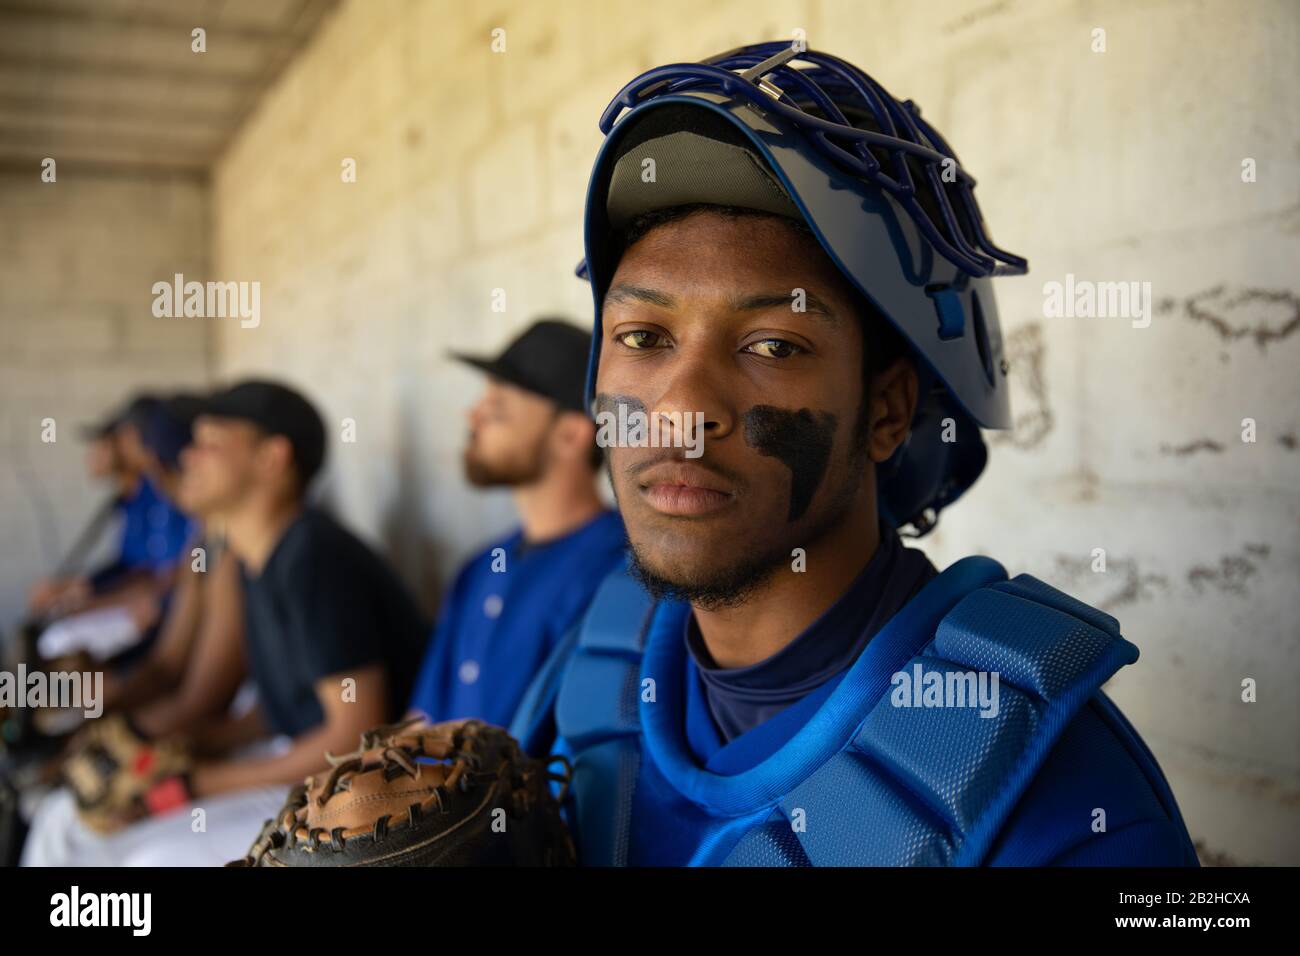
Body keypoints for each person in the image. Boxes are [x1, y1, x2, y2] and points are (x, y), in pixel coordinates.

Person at [509, 43, 1199, 866]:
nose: (682, 410)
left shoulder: (1061, 798)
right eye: (644, 337)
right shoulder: (602, 659)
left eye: (772, 344)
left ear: (886, 410)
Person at [21, 380, 427, 866]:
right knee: (69, 821)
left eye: (210, 446)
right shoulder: (257, 556)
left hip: (369, 792)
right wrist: (182, 748)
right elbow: (288, 706)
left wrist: (193, 783)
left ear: (272, 458)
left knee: (144, 859)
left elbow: (354, 733)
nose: (188, 458)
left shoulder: (314, 557)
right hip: (305, 765)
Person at [406, 320, 625, 729]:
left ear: (571, 436)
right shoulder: (480, 567)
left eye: (498, 408)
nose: (473, 415)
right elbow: (420, 721)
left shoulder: (624, 568)